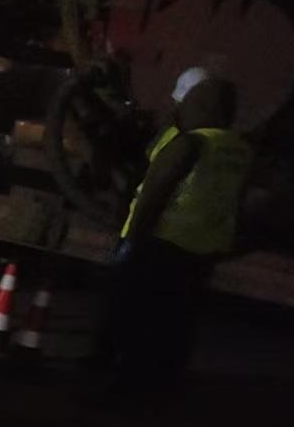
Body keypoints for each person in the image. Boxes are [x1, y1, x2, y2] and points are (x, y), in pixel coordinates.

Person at [92, 71, 254, 393]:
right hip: (202, 251)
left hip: (163, 245)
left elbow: (154, 194)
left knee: (142, 317)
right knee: (177, 322)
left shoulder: (191, 143)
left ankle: (127, 387)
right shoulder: (239, 150)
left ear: (200, 108)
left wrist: (133, 240)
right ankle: (162, 384)